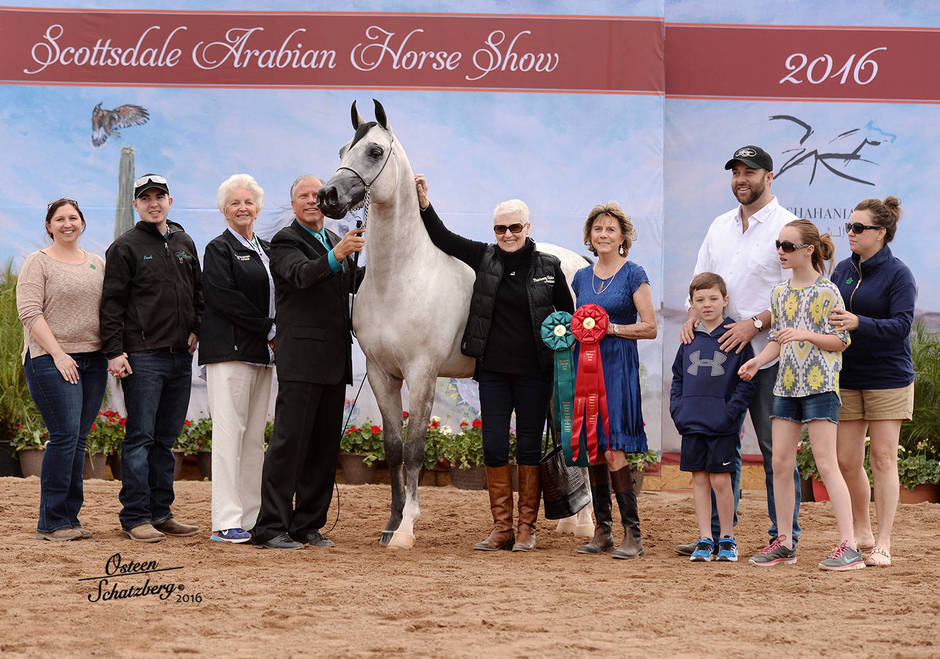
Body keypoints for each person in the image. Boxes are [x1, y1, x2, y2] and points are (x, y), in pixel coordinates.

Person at [415, 174, 573, 552]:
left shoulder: (549, 266)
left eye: (514, 227)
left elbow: (567, 318)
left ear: (527, 227)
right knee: (494, 446)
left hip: (535, 373)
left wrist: (560, 352)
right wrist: (424, 202)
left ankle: (526, 529)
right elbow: (443, 237)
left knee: (530, 448)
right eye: (500, 228)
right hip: (493, 373)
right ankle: (501, 527)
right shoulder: (484, 256)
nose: (507, 234)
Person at [677, 145, 802, 556]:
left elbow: (799, 294)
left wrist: (756, 323)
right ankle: (714, 537)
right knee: (718, 443)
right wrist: (693, 315)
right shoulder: (719, 226)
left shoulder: (787, 226)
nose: (741, 179)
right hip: (717, 358)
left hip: (770, 357)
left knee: (773, 449)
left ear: (770, 177)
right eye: (736, 172)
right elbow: (701, 281)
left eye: (750, 172)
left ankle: (783, 537)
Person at [740, 219, 863, 570]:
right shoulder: (779, 293)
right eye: (779, 245)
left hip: (821, 385)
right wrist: (757, 362)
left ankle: (849, 545)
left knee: (826, 464)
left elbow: (842, 341)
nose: (781, 251)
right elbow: (779, 339)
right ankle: (784, 542)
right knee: (780, 463)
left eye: (788, 246)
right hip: (786, 386)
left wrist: (806, 335)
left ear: (808, 250)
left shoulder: (828, 291)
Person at [250, 175, 365, 550]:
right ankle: (270, 527)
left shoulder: (333, 240)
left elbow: (351, 281)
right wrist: (340, 254)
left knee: (323, 446)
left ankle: (307, 524)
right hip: (301, 359)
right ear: (293, 204)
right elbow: (302, 275)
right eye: (304, 196)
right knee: (289, 443)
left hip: (334, 358)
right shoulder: (286, 240)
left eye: (318, 195)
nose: (312, 201)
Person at [99, 173, 203, 543]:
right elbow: (111, 304)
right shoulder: (125, 247)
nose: (153, 203)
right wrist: (114, 351)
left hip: (179, 358)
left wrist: (197, 327)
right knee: (140, 438)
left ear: (170, 201)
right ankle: (135, 516)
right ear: (136, 205)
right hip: (143, 357)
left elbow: (197, 294)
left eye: (160, 196)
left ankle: (161, 513)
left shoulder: (184, 241)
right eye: (146, 198)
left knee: (165, 440)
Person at [831, 197, 916, 567]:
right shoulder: (841, 271)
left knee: (882, 458)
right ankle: (862, 530)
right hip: (847, 376)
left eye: (859, 228)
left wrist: (858, 323)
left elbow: (901, 326)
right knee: (846, 460)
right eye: (849, 226)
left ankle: (883, 542)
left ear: (881, 233)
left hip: (888, 377)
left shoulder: (899, 274)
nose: (851, 233)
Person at [16, 198, 108, 541]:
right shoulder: (37, 263)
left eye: (73, 217)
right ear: (48, 225)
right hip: (49, 358)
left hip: (93, 360)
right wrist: (58, 354)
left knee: (79, 438)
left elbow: (108, 311)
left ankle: (69, 518)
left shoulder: (96, 264)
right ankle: (52, 521)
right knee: (65, 435)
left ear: (82, 223)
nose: (67, 223)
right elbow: (29, 312)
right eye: (59, 219)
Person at [572, 202, 657, 559]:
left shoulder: (634, 273)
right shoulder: (581, 277)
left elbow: (650, 327)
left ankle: (632, 534)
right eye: (598, 229)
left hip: (617, 367)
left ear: (623, 236)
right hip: (584, 367)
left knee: (613, 448)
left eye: (610, 229)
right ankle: (602, 532)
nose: (603, 235)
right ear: (590, 237)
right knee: (593, 447)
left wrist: (614, 328)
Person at [200, 174, 275, 544]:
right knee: (230, 436)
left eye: (248, 202)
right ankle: (225, 520)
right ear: (224, 210)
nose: (242, 208)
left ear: (257, 208)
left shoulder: (267, 249)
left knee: (253, 439)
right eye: (235, 203)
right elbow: (224, 299)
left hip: (262, 356)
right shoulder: (218, 249)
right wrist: (271, 329)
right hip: (229, 355)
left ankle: (251, 515)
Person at [670, 273, 756, 562]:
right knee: (700, 480)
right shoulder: (688, 338)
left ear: (725, 301)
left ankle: (727, 538)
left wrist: (730, 414)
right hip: (691, 422)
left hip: (722, 425)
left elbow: (747, 381)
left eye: (713, 298)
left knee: (721, 481)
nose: (707, 304)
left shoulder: (736, 337)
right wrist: (678, 411)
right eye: (700, 300)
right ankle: (705, 538)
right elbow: (678, 377)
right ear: (692, 304)